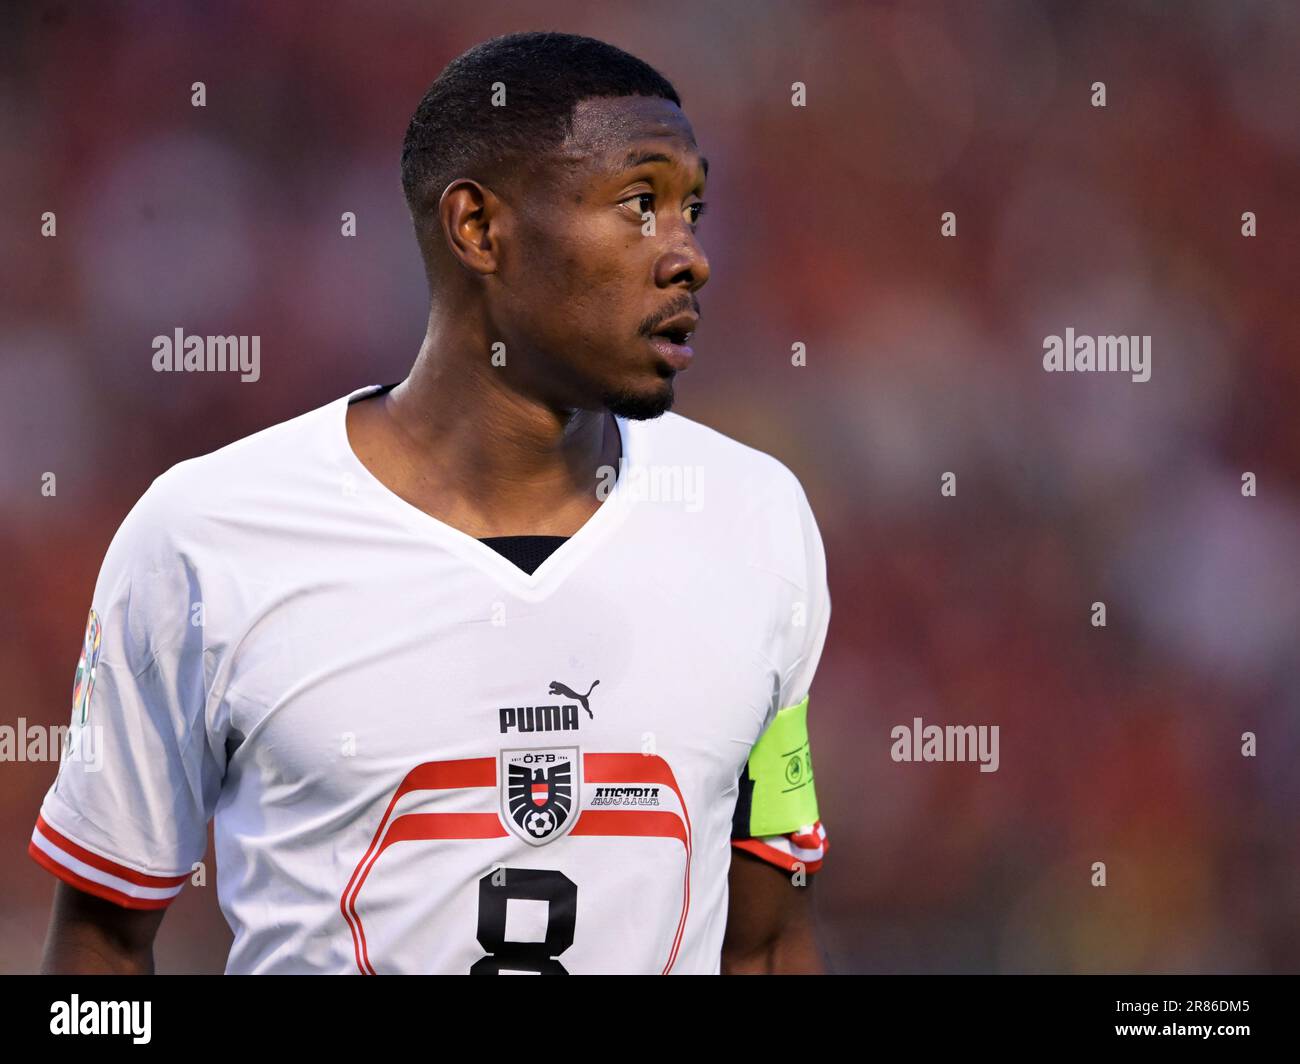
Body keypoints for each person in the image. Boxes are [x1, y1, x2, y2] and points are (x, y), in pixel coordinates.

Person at [30, 30, 831, 975]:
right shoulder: (206, 536)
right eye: (639, 204)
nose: (690, 255)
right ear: (479, 229)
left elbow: (767, 941)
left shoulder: (755, 520)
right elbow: (102, 947)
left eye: (692, 208)